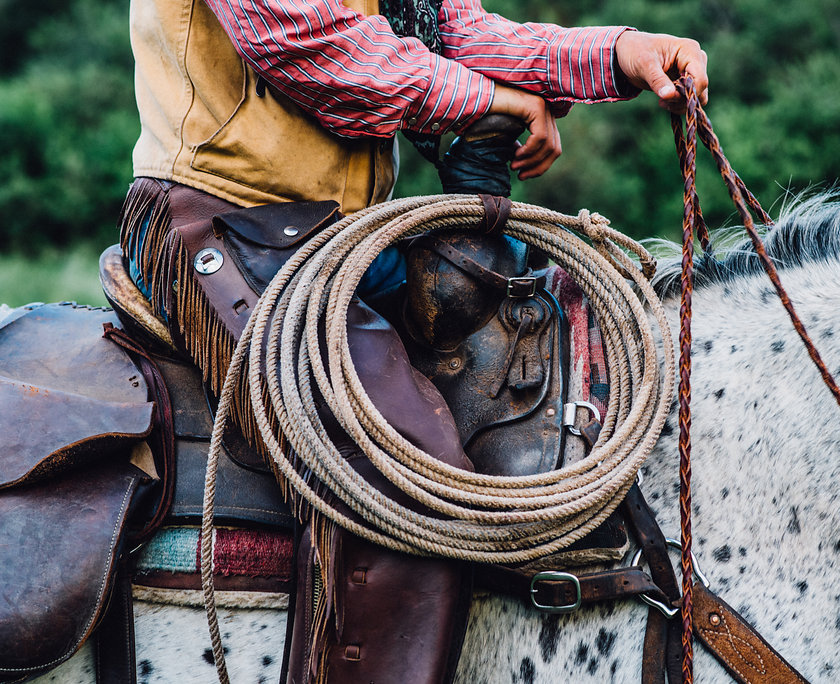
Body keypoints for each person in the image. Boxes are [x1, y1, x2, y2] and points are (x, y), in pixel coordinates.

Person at [118, 1, 709, 682]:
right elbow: (315, 49)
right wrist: (491, 101)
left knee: (528, 338)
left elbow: (448, 30)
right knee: (406, 468)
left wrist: (617, 55)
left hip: (349, 237)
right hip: (228, 225)